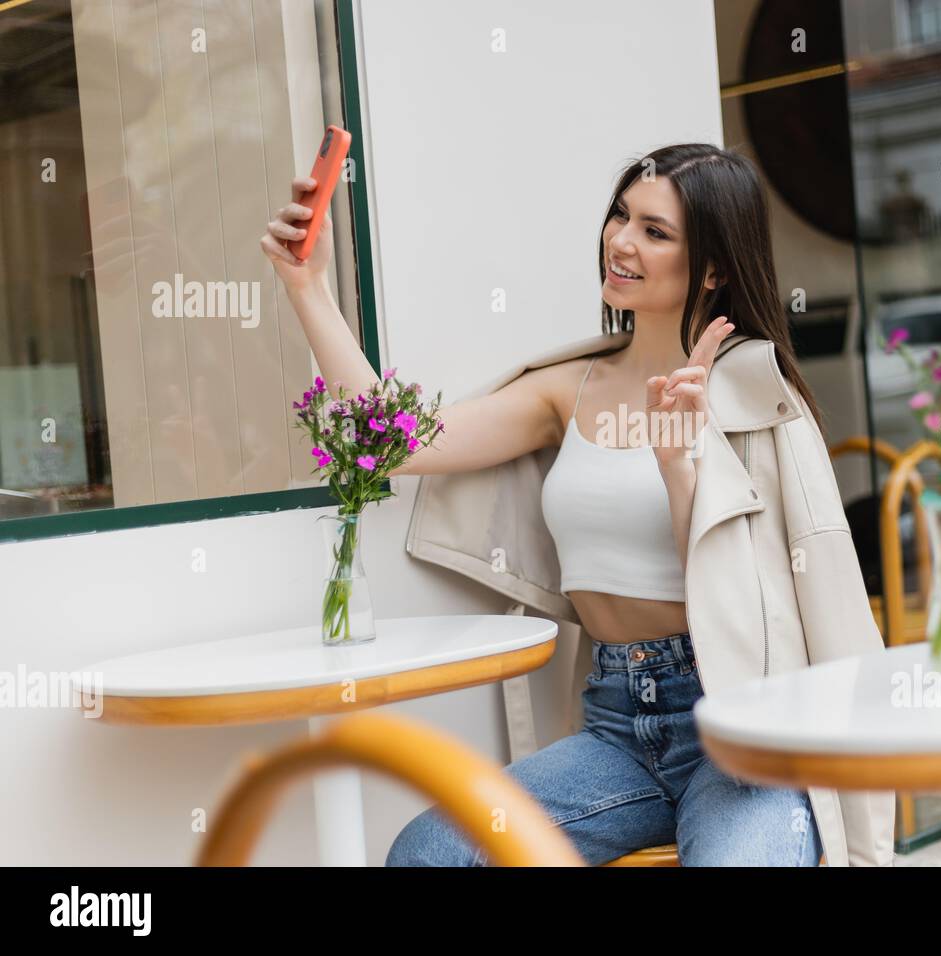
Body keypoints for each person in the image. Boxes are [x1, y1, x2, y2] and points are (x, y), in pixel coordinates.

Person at [261, 142, 893, 866]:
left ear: (714, 268)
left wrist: (677, 462)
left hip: (742, 729)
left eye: (655, 232)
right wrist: (307, 288)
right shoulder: (568, 389)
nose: (621, 241)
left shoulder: (757, 398)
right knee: (430, 854)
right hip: (618, 729)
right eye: (621, 215)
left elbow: (782, 596)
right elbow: (394, 442)